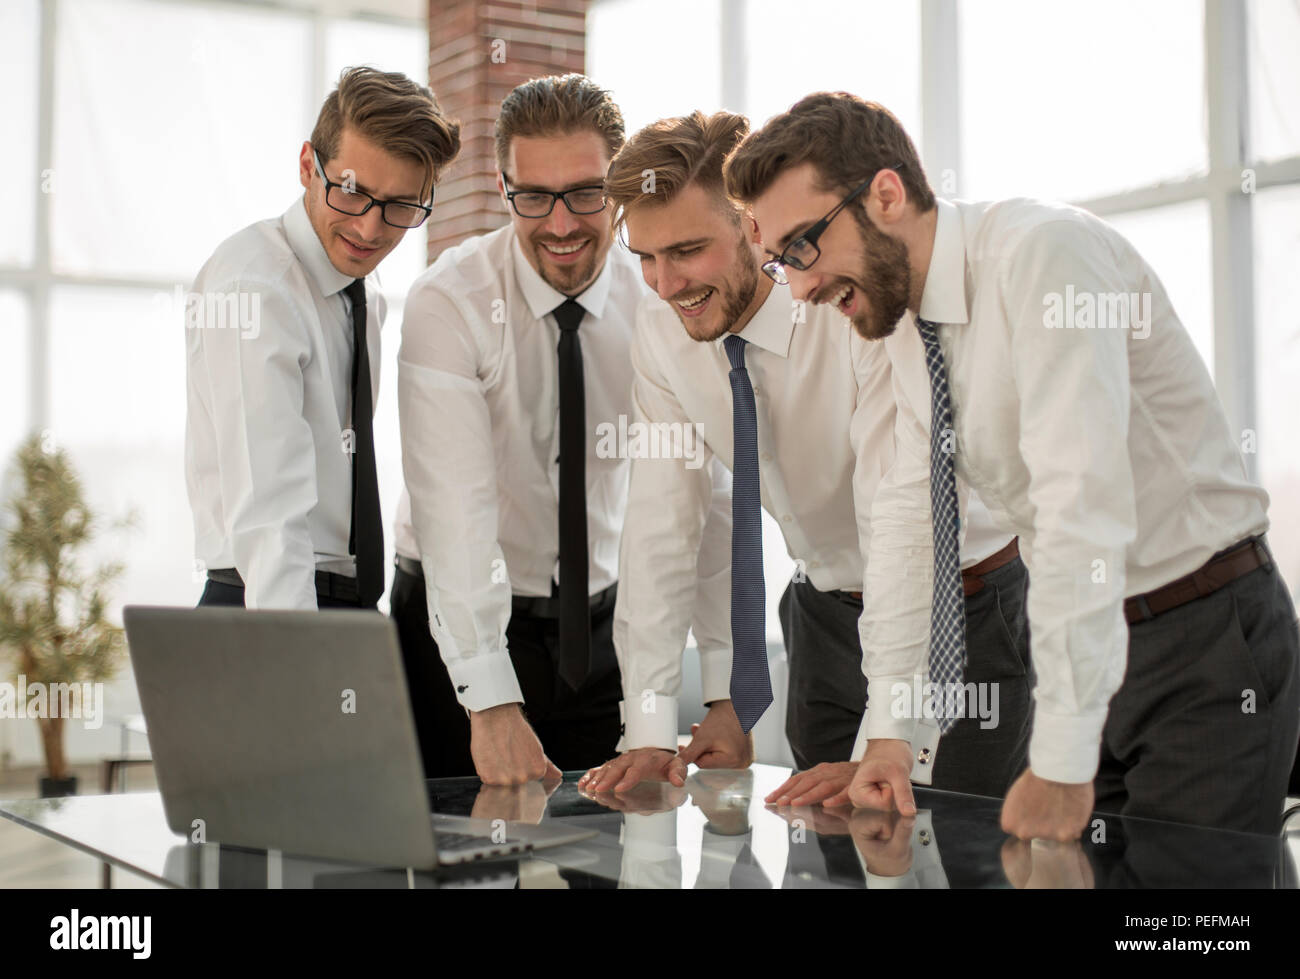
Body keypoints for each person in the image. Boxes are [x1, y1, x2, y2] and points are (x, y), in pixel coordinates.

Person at [726, 91, 1300, 837]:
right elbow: (908, 517)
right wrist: (891, 732)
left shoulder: (1043, 255)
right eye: (780, 262)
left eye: (802, 246)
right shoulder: (905, 322)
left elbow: (1079, 506)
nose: (798, 285)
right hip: (1088, 646)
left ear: (887, 195)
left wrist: (1061, 762)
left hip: (1201, 638)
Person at [579, 110, 1031, 801]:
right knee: (828, 858)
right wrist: (648, 724)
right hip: (823, 619)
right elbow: (660, 528)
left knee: (943, 849)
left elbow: (899, 512)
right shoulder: (661, 333)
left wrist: (889, 730)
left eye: (687, 250)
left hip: (957, 610)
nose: (665, 284)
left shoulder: (849, 300)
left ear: (753, 229)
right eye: (645, 257)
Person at [392, 75, 731, 785]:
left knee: (624, 853)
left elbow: (702, 500)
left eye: (586, 193)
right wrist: (488, 701)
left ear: (620, 184)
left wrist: (725, 685)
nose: (561, 223)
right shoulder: (450, 303)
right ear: (502, 183)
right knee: (472, 862)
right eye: (533, 197)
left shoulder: (666, 299)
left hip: (602, 630)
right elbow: (455, 514)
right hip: (456, 624)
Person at [186, 67, 459, 611]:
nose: (370, 229)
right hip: (270, 602)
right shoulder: (257, 286)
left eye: (402, 206)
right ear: (309, 166)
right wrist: (302, 664)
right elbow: (269, 517)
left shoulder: (365, 289)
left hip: (342, 601)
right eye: (353, 192)